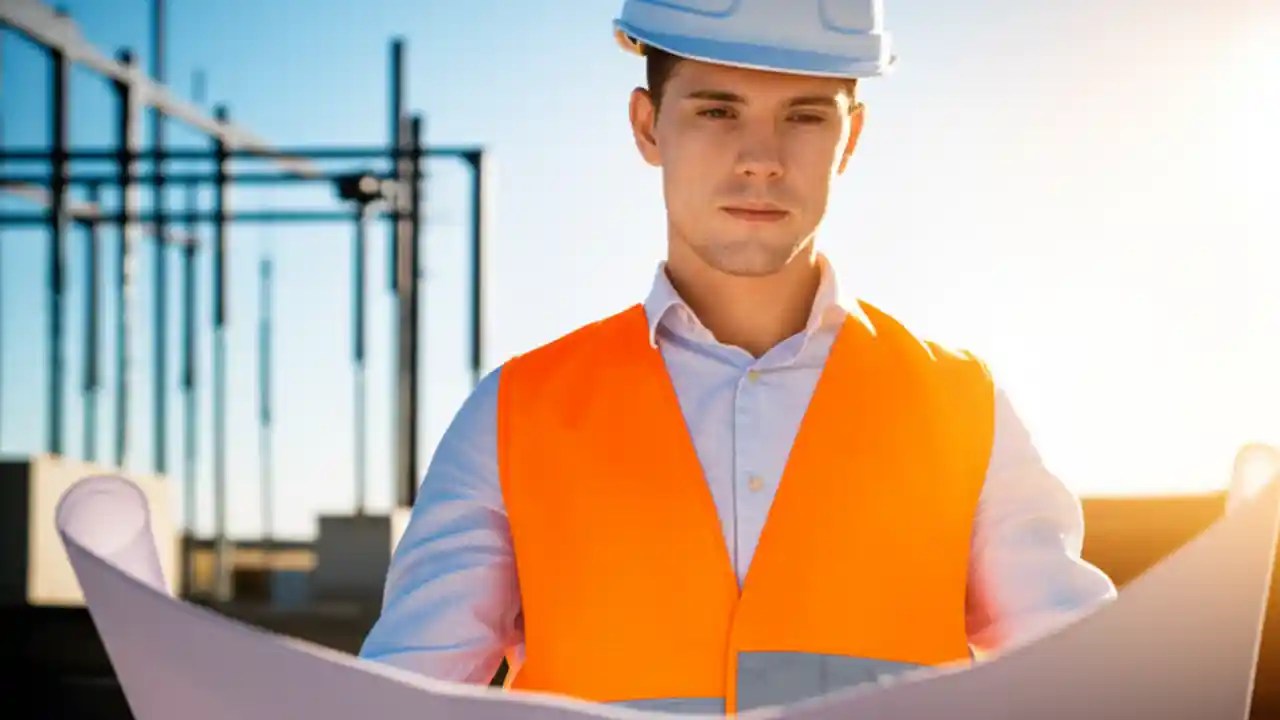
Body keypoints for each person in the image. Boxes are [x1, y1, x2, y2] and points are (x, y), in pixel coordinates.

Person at [359, 1, 1117, 714]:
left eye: (804, 115)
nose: (761, 158)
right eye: (718, 110)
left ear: (850, 138)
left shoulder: (963, 406)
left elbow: (1093, 689)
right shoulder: (516, 413)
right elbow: (392, 705)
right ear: (648, 125)